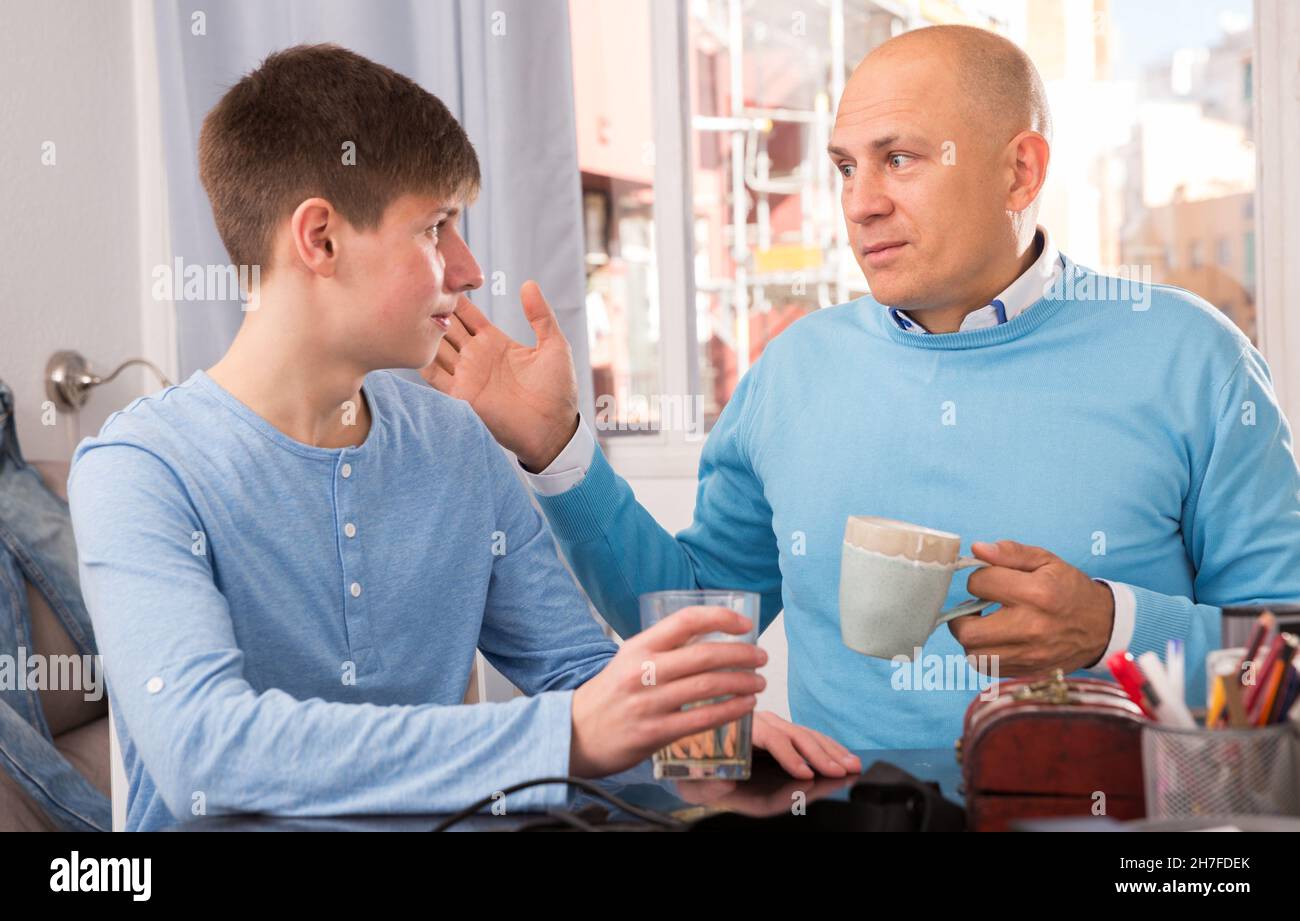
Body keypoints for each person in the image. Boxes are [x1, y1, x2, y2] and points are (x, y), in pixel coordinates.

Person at [428, 25, 1300, 749]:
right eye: (846, 167)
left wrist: (1115, 627)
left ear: (1020, 171)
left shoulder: (1193, 357)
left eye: (900, 159)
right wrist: (558, 444)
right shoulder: (793, 371)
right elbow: (691, 618)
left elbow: (1286, 661)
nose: (859, 203)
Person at [67, 44, 859, 832]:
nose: (470, 268)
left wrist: (690, 737)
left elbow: (573, 674)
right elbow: (204, 749)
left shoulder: (453, 442)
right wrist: (567, 734)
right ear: (321, 239)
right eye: (436, 228)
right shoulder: (141, 470)